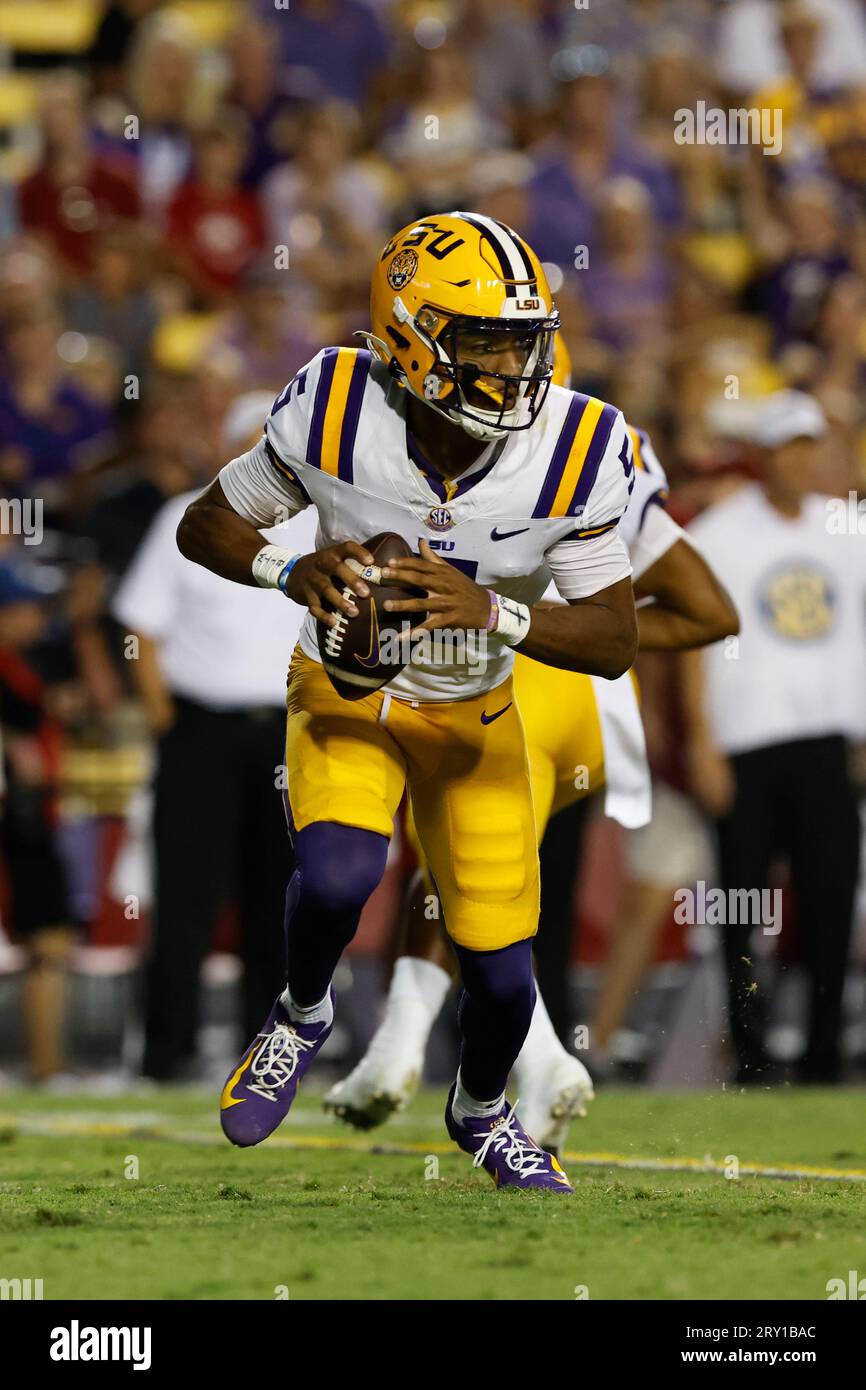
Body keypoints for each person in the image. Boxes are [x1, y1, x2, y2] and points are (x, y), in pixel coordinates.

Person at [179, 212, 639, 1193]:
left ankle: (479, 1112)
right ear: (407, 334)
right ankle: (302, 1014)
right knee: (341, 875)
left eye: (524, 339)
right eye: (485, 339)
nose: (514, 365)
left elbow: (613, 638)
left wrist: (498, 616)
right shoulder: (335, 403)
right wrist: (286, 564)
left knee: (502, 970)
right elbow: (203, 524)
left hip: (474, 713)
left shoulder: (575, 443)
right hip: (348, 691)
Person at [323, 422, 739, 1151]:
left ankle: (415, 1052)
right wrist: (593, 632)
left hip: (521, 692)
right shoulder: (613, 448)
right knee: (513, 890)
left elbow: (711, 614)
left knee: (458, 869)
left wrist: (521, 625)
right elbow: (711, 613)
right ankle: (542, 1055)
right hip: (592, 714)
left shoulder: (542, 454)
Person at [113, 393, 317, 1080]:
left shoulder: (323, 527)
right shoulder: (188, 518)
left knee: (281, 904)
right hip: (201, 728)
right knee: (186, 899)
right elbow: (141, 623)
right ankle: (165, 1055)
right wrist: (167, 721)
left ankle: (270, 1063)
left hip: (292, 732)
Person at [683, 390, 866, 1084]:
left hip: (826, 741)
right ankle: (750, 1056)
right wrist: (701, 741)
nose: (801, 460)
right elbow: (694, 644)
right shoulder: (722, 531)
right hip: (747, 742)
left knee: (829, 905)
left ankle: (823, 1058)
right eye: (788, 447)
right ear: (764, 456)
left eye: (810, 445)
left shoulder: (846, 527)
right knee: (740, 908)